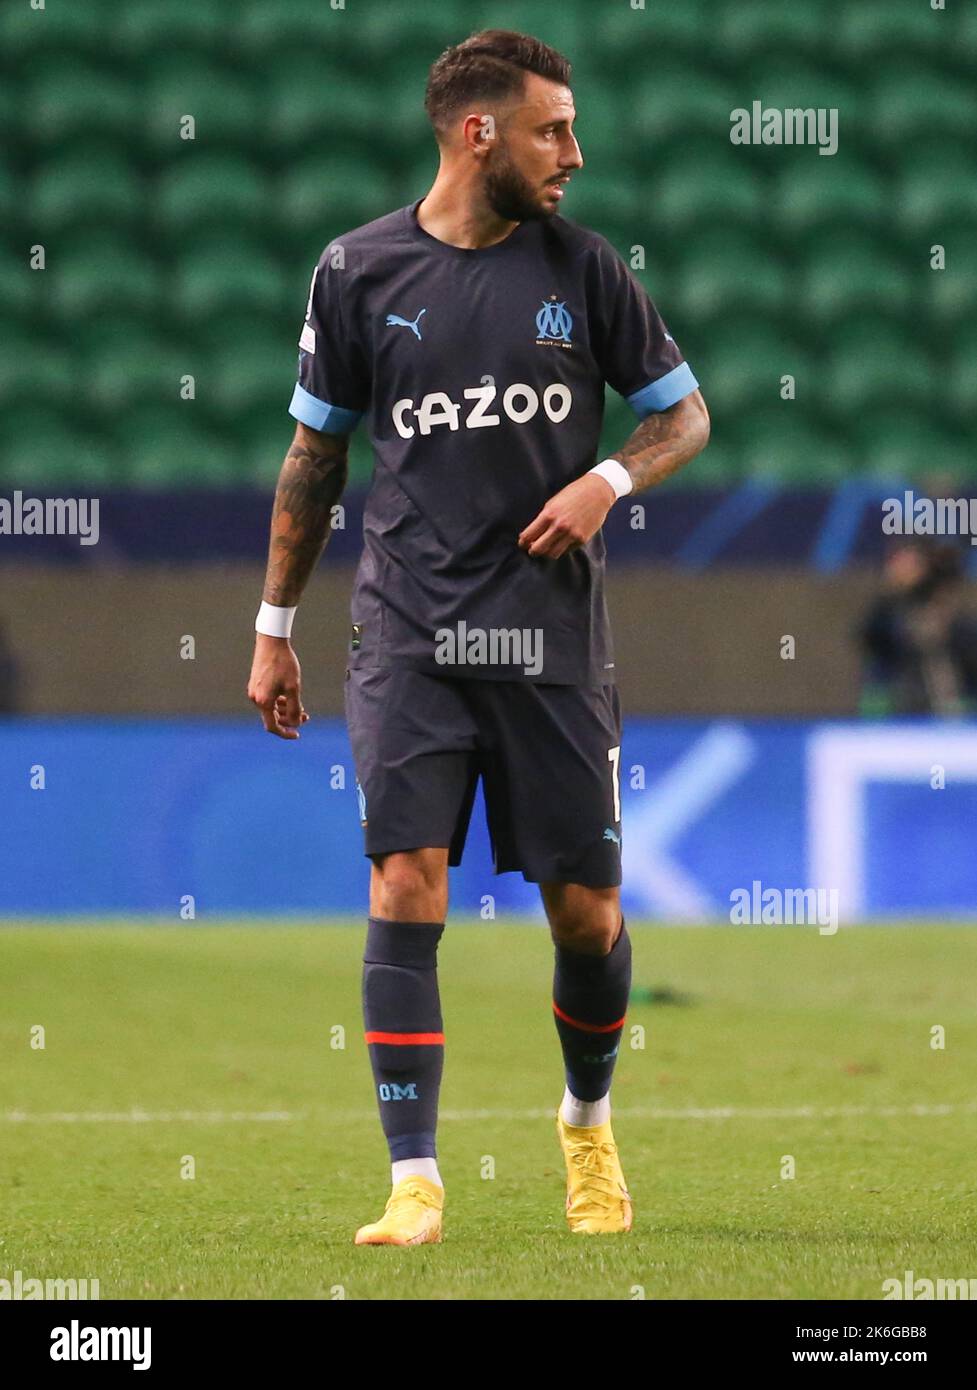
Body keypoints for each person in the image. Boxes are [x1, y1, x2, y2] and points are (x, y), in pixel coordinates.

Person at [247, 29, 709, 1244]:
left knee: (587, 917)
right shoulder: (355, 270)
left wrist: (608, 477)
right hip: (406, 630)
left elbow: (683, 414)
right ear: (478, 132)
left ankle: (586, 1123)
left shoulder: (583, 269)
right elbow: (314, 457)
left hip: (550, 643)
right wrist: (272, 626)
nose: (575, 152)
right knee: (404, 880)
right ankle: (414, 1181)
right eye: (553, 128)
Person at [858, 540, 977, 716]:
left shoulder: (961, 628)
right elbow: (871, 639)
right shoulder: (890, 619)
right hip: (905, 715)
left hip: (954, 717)